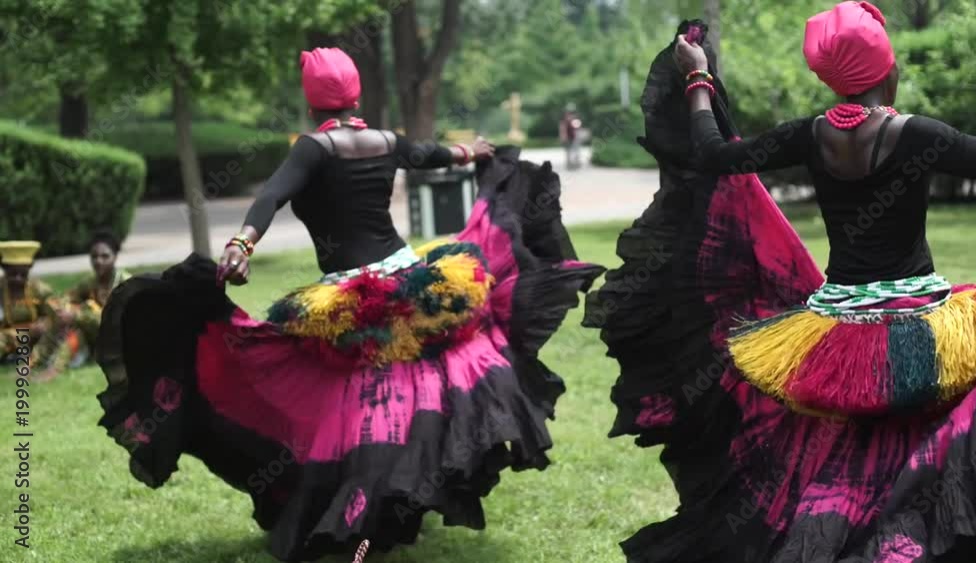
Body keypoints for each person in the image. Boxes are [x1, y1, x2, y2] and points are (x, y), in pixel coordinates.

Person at [96, 47, 603, 562]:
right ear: (356, 92)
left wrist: (242, 244)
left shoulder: (313, 149)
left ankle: (369, 508)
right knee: (412, 396)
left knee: (361, 413)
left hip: (352, 297)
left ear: (313, 103)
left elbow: (270, 196)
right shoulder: (382, 139)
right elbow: (429, 154)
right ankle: (400, 492)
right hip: (408, 276)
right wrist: (471, 152)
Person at [585, 4, 976, 562]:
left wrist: (698, 76)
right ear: (886, 67)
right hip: (920, 333)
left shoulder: (810, 136)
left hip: (834, 332)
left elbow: (711, 154)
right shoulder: (919, 135)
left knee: (851, 452)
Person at [31, 230, 133, 381]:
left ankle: (53, 370)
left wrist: (76, 315)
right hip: (97, 340)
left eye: (105, 256)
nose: (99, 261)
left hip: (123, 342)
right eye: (94, 256)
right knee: (67, 319)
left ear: (115, 257)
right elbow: (68, 297)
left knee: (79, 320)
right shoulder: (91, 282)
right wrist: (63, 309)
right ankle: (31, 363)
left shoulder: (126, 284)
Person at [0, 241, 60, 369]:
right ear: (4, 269)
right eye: (13, 274)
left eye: (23, 274)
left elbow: (56, 315)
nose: (18, 279)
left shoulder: (40, 289)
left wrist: (44, 324)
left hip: (35, 339)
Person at [559, 104, 583, 170]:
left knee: (575, 151)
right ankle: (570, 164)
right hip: (568, 138)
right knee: (568, 151)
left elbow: (577, 128)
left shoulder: (575, 120)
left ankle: (575, 163)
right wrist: (563, 137)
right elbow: (562, 129)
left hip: (574, 138)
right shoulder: (564, 121)